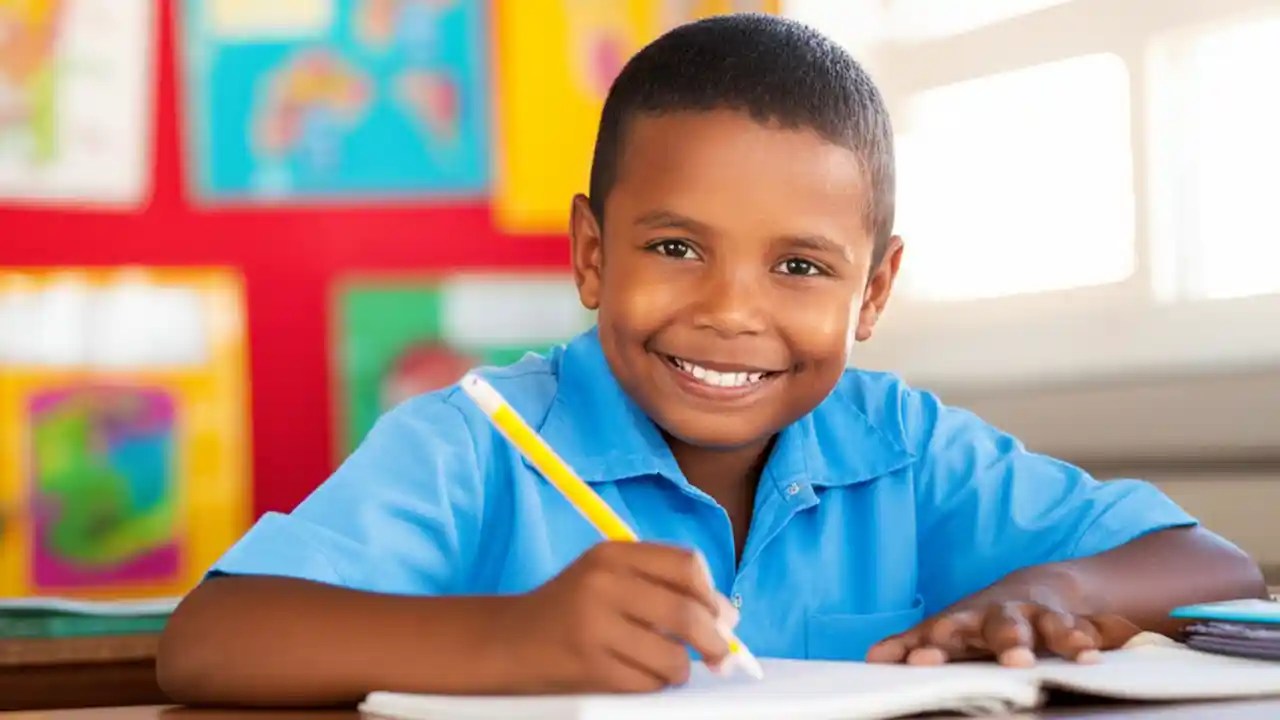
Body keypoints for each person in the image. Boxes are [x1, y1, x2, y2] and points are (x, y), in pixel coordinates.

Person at [157, 14, 1265, 707]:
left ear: (871, 292)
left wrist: (1048, 587)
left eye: (798, 266)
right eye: (675, 248)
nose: (731, 312)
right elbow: (210, 644)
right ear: (592, 255)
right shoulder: (476, 440)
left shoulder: (904, 447)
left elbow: (1214, 571)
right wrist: (511, 636)